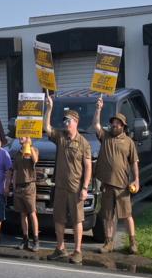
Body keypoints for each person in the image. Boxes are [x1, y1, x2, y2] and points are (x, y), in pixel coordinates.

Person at [44, 92, 93, 264]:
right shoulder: (60, 137)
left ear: (76, 122)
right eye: (64, 120)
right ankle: (60, 248)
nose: (65, 123)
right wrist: (49, 108)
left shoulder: (84, 143)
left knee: (77, 219)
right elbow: (47, 128)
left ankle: (77, 251)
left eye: (68, 120)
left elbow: (88, 167)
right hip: (60, 187)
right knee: (58, 218)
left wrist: (85, 188)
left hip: (76, 188)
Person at [91, 95, 141, 255]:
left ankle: (133, 242)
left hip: (123, 185)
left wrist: (136, 180)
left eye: (117, 123)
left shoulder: (129, 142)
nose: (114, 125)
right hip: (106, 185)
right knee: (108, 216)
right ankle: (108, 243)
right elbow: (96, 125)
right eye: (113, 123)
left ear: (123, 126)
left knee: (127, 215)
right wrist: (98, 109)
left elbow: (134, 162)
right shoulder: (105, 137)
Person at [11, 133, 40, 251]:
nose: (20, 137)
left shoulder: (34, 149)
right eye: (20, 135)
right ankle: (25, 239)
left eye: (23, 136)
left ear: (29, 137)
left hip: (29, 186)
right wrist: (13, 186)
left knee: (32, 213)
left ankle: (36, 240)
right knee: (22, 214)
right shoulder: (18, 153)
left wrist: (30, 145)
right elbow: (15, 171)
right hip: (19, 187)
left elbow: (35, 160)